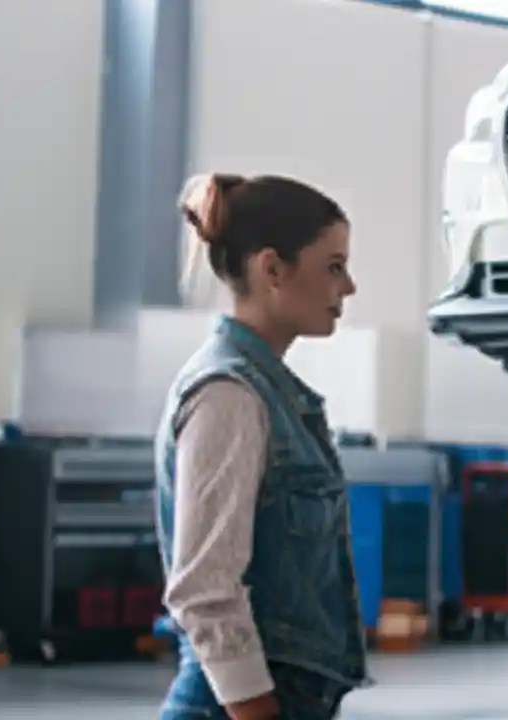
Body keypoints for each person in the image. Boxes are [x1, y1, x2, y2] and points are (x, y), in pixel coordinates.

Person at [154, 173, 367, 720]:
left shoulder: (267, 392)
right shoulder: (228, 394)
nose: (348, 287)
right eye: (334, 267)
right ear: (273, 269)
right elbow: (204, 589)